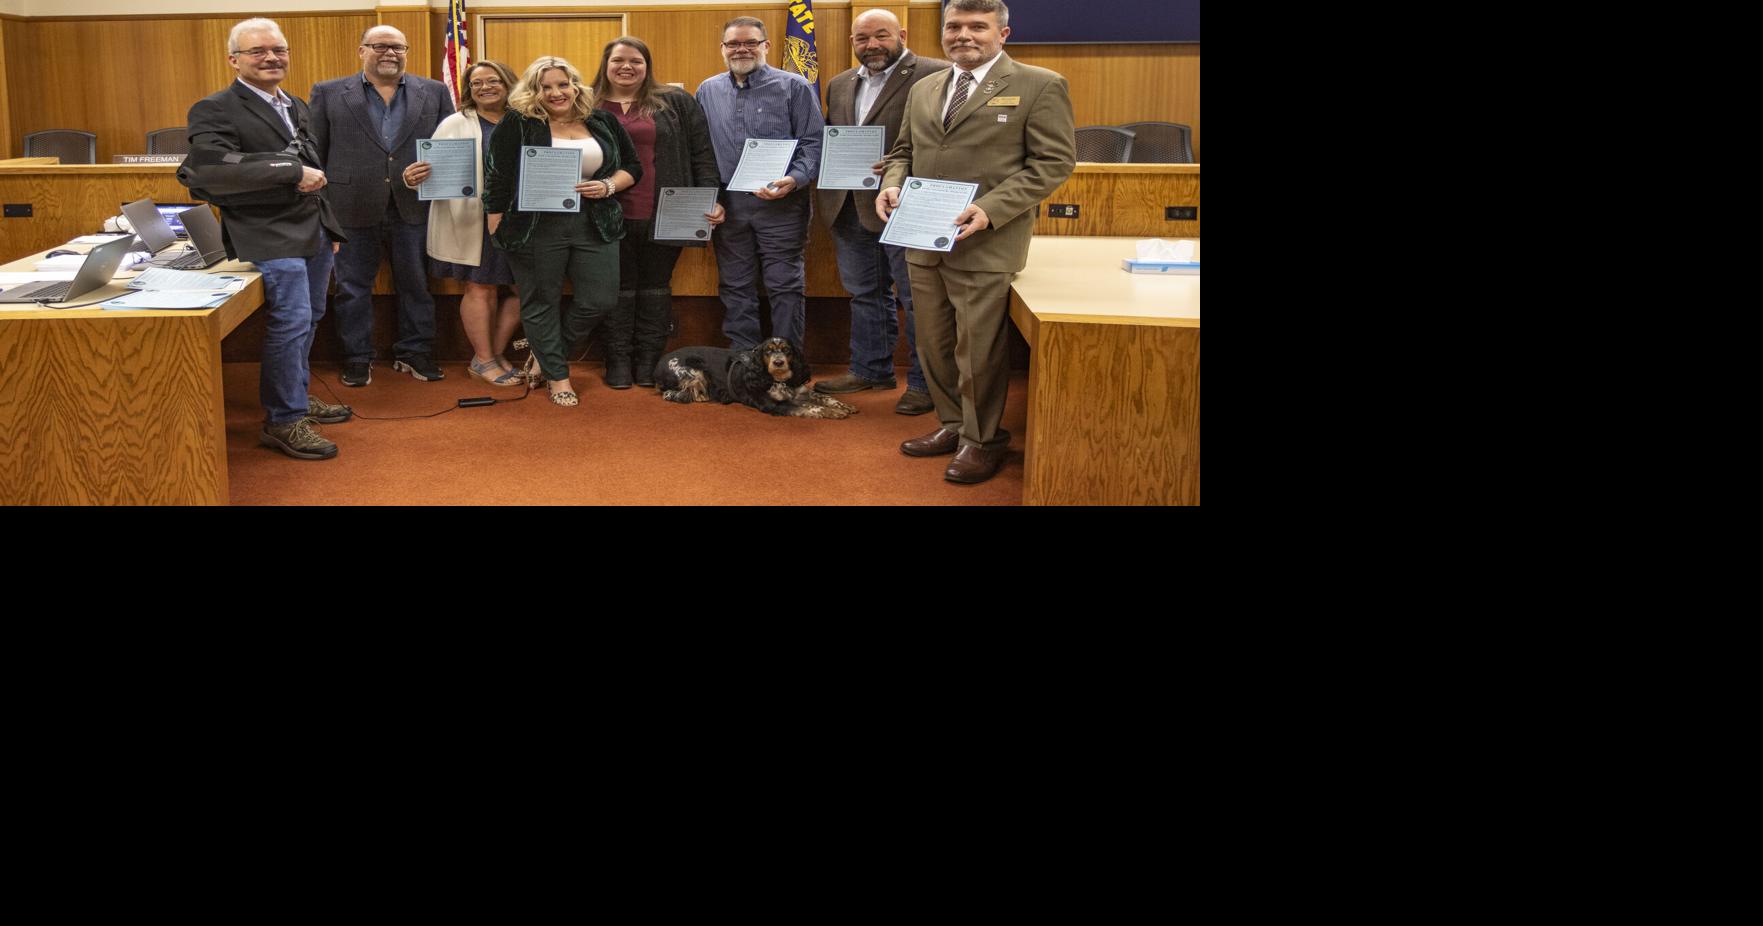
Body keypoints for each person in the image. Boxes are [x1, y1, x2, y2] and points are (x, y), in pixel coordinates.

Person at [878, 0, 1075, 484]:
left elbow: (1052, 163)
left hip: (986, 243)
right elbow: (904, 151)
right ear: (943, 32)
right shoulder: (925, 87)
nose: (963, 35)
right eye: (954, 26)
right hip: (923, 239)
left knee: (978, 350)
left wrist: (992, 209)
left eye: (977, 26)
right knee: (934, 343)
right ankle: (952, 424)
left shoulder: (1039, 84)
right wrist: (893, 183)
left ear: (1003, 33)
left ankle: (983, 440)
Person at [182, 17, 351, 460]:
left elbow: (317, 170)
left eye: (278, 49)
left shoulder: (294, 103)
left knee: (310, 317)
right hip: (266, 232)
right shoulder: (215, 108)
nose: (271, 58)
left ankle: (293, 394)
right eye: (258, 51)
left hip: (311, 230)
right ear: (234, 59)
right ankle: (284, 419)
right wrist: (289, 171)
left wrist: (328, 227)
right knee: (291, 321)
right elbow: (209, 171)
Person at [483, 56, 640, 407]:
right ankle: (558, 376)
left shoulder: (601, 120)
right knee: (541, 301)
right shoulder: (519, 123)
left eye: (562, 84)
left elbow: (633, 167)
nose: (556, 93)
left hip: (595, 222)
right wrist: (496, 223)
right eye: (545, 86)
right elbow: (497, 176)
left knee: (600, 298)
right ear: (533, 91)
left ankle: (545, 352)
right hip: (535, 226)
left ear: (575, 85)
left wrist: (608, 187)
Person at [814, 8, 948, 415]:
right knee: (863, 293)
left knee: (916, 297)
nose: (871, 45)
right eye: (862, 39)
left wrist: (900, 162)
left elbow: (948, 137)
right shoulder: (839, 84)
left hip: (907, 203)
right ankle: (870, 368)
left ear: (902, 34)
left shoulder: (935, 73)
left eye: (881, 36)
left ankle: (926, 384)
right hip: (850, 205)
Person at [309, 24, 455, 386]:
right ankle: (357, 357)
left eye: (397, 47)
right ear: (362, 51)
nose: (389, 52)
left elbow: (449, 150)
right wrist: (323, 211)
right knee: (352, 287)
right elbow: (316, 154)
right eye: (380, 46)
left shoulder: (434, 92)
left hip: (415, 206)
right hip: (350, 207)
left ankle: (415, 352)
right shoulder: (328, 93)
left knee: (416, 284)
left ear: (406, 51)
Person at [589, 36, 724, 389]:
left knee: (655, 287)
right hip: (604, 215)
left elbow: (701, 153)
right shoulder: (586, 102)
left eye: (636, 60)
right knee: (616, 288)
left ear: (647, 66)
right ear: (606, 64)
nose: (626, 67)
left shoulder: (674, 101)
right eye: (618, 60)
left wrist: (711, 198)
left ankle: (648, 362)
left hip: (668, 211)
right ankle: (617, 360)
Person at [695, 16, 825, 350]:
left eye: (750, 42)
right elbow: (700, 149)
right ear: (722, 49)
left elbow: (813, 142)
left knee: (784, 286)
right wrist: (709, 197)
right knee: (736, 285)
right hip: (728, 206)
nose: (742, 49)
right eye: (733, 43)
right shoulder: (708, 90)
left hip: (782, 204)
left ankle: (788, 365)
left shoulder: (794, 86)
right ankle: (744, 363)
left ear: (765, 46)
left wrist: (794, 179)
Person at [402, 59, 525, 387]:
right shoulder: (454, 123)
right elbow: (434, 172)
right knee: (480, 287)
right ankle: (485, 361)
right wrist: (416, 177)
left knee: (525, 289)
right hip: (475, 220)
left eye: (493, 80)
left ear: (508, 82)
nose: (484, 87)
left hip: (522, 220)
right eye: (476, 83)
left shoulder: (527, 120)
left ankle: (491, 354)